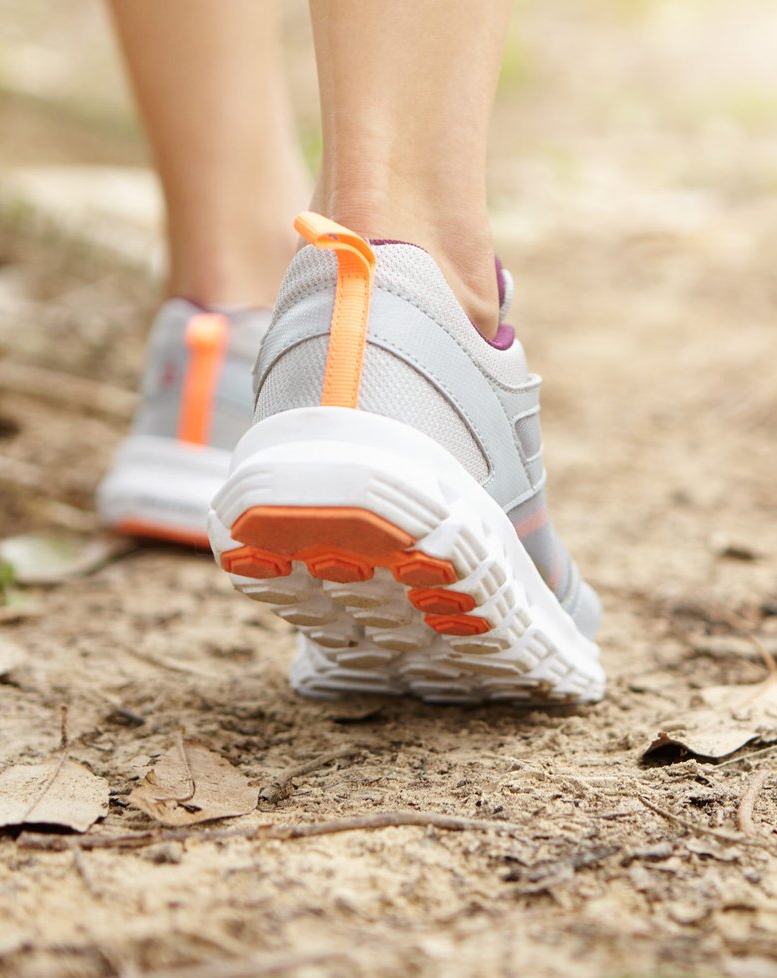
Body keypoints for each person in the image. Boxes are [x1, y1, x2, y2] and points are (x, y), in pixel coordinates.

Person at [95, 0, 604, 705]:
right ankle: (417, 272)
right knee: (391, 215)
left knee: (246, 261)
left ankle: (229, 313)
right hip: (407, 362)